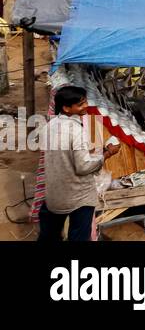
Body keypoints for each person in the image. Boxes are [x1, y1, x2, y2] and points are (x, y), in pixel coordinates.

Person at [39, 85, 121, 241]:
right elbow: (83, 167)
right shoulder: (76, 130)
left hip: (55, 193)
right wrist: (108, 153)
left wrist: (91, 152)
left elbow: (63, 155)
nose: (86, 106)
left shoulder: (50, 125)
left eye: (85, 101)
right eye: (80, 104)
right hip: (78, 195)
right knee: (79, 236)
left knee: (49, 235)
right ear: (67, 108)